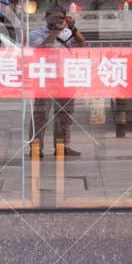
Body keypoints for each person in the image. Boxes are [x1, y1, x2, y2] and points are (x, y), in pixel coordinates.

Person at [28, 9, 86, 157]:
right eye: (55, 17)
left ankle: (62, 147)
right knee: (41, 115)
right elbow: (42, 50)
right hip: (45, 78)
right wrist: (54, 32)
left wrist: (73, 28)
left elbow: (82, 44)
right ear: (47, 18)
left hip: (66, 78)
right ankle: (36, 148)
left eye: (61, 17)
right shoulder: (36, 34)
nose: (59, 20)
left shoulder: (68, 33)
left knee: (64, 115)